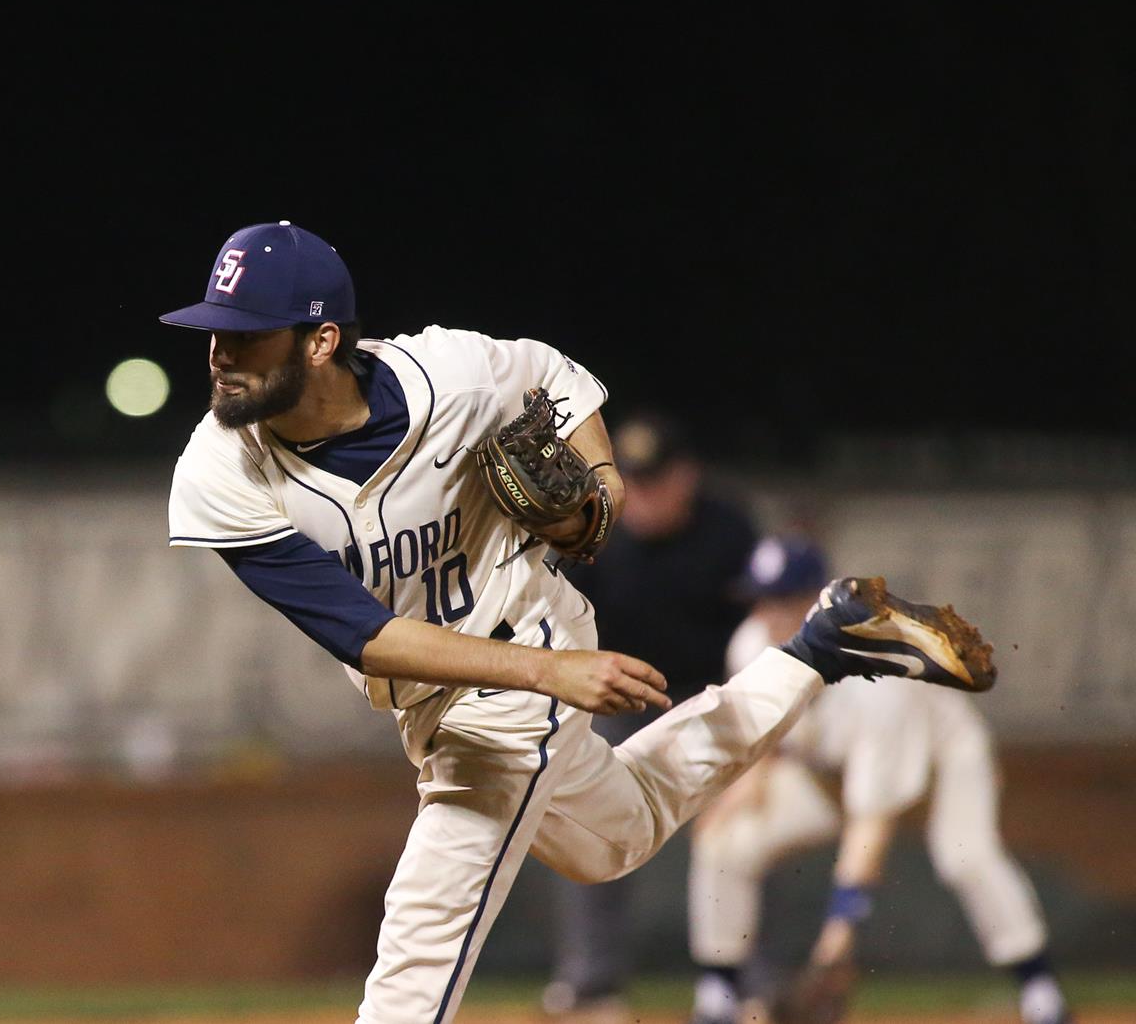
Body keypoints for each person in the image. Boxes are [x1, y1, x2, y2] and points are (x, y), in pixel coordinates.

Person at [161, 221, 996, 1024]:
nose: (221, 355)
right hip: (470, 688)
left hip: (528, 649)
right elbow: (363, 632)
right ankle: (823, 641)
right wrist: (551, 676)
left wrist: (606, 491)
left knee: (422, 936)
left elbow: (555, 376)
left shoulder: (449, 373)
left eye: (246, 335)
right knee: (615, 836)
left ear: (320, 340)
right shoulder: (220, 473)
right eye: (214, 333)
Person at [685, 535, 1073, 1024]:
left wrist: (838, 936)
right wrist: (741, 788)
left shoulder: (874, 684)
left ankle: (1041, 991)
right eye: (762, 599)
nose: (769, 613)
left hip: (944, 764)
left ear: (816, 599)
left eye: (784, 600)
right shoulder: (751, 643)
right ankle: (717, 997)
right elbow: (768, 736)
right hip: (831, 773)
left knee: (967, 857)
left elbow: (871, 824)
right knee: (725, 840)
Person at [543, 411, 758, 1023]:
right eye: (634, 478)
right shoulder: (594, 533)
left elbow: (761, 622)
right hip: (621, 705)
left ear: (687, 476)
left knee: (739, 843)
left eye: (658, 478)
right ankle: (591, 986)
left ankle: (747, 985)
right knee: (593, 832)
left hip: (709, 702)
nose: (645, 492)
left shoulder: (728, 530)